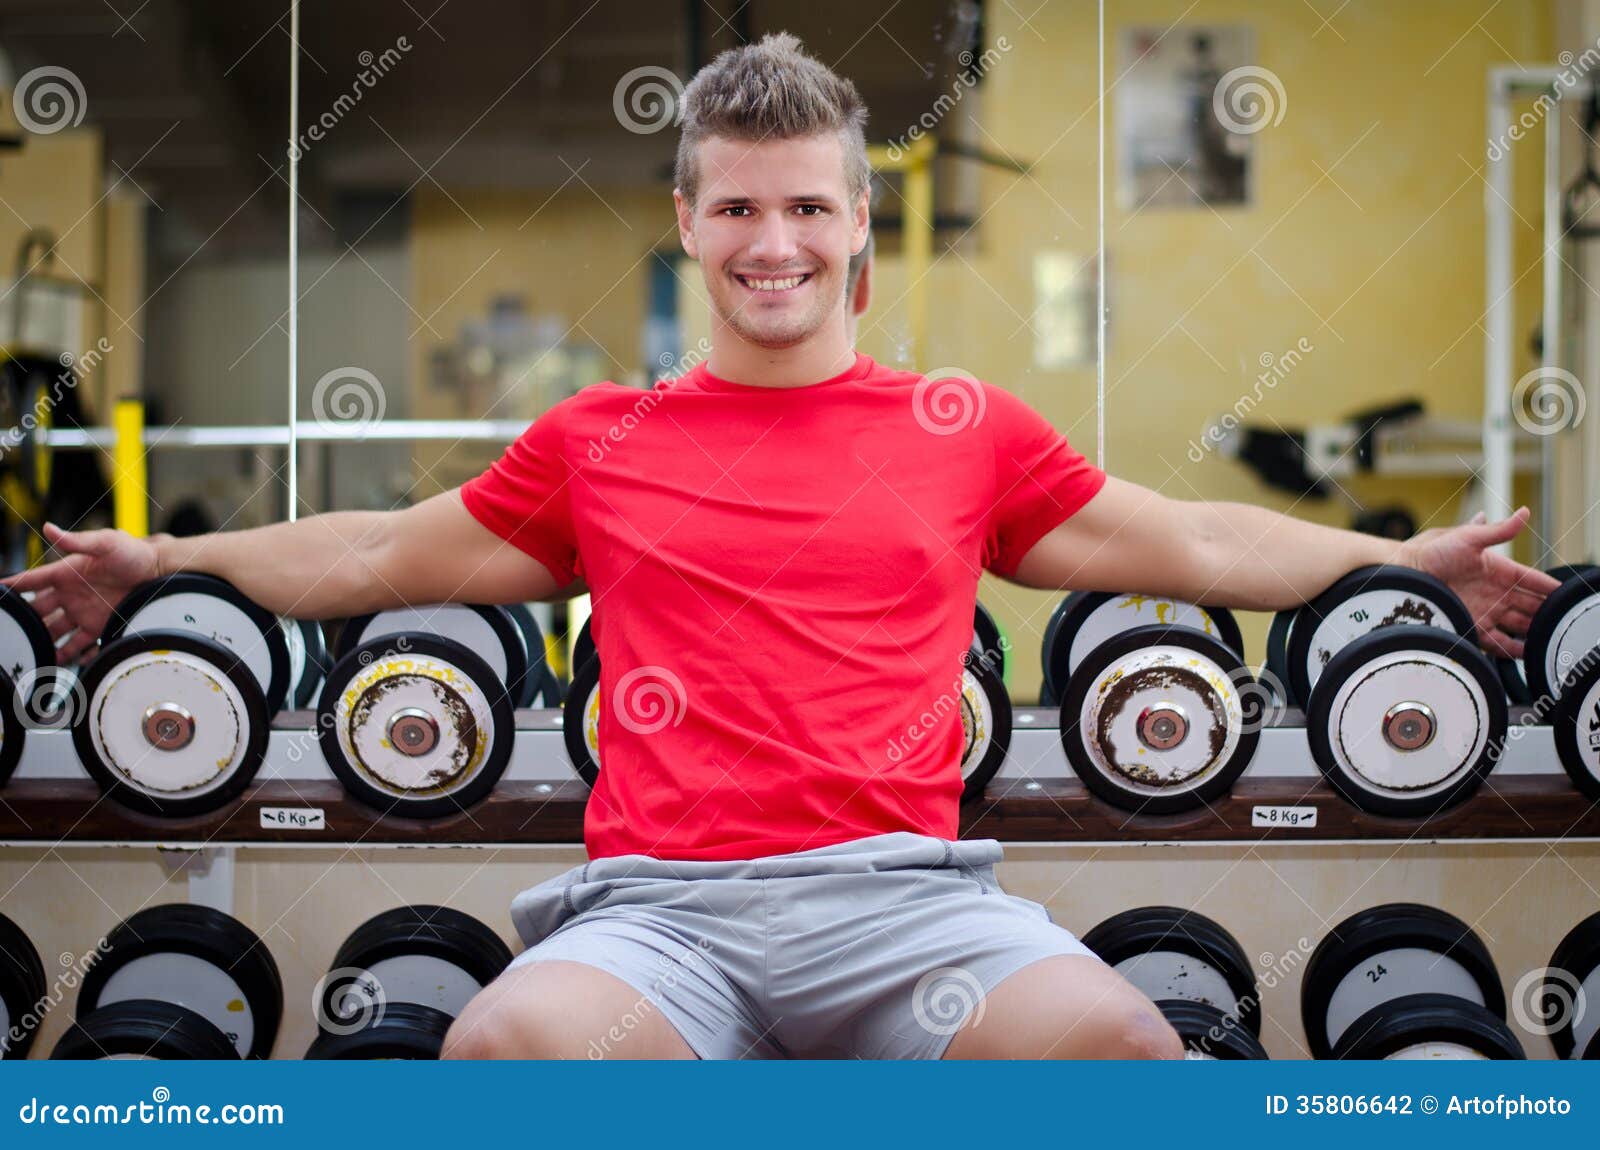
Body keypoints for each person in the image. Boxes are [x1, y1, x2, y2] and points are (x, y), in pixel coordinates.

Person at [5, 34, 1556, 1061]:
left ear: (857, 225)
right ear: (687, 218)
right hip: (663, 910)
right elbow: (371, 560)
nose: (775, 241)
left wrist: (1406, 567)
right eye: (738, 205)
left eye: (809, 206)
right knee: (500, 1052)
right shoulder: (599, 438)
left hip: (906, 900)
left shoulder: (964, 428)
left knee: (1122, 1053)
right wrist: (160, 565)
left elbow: (1195, 534)